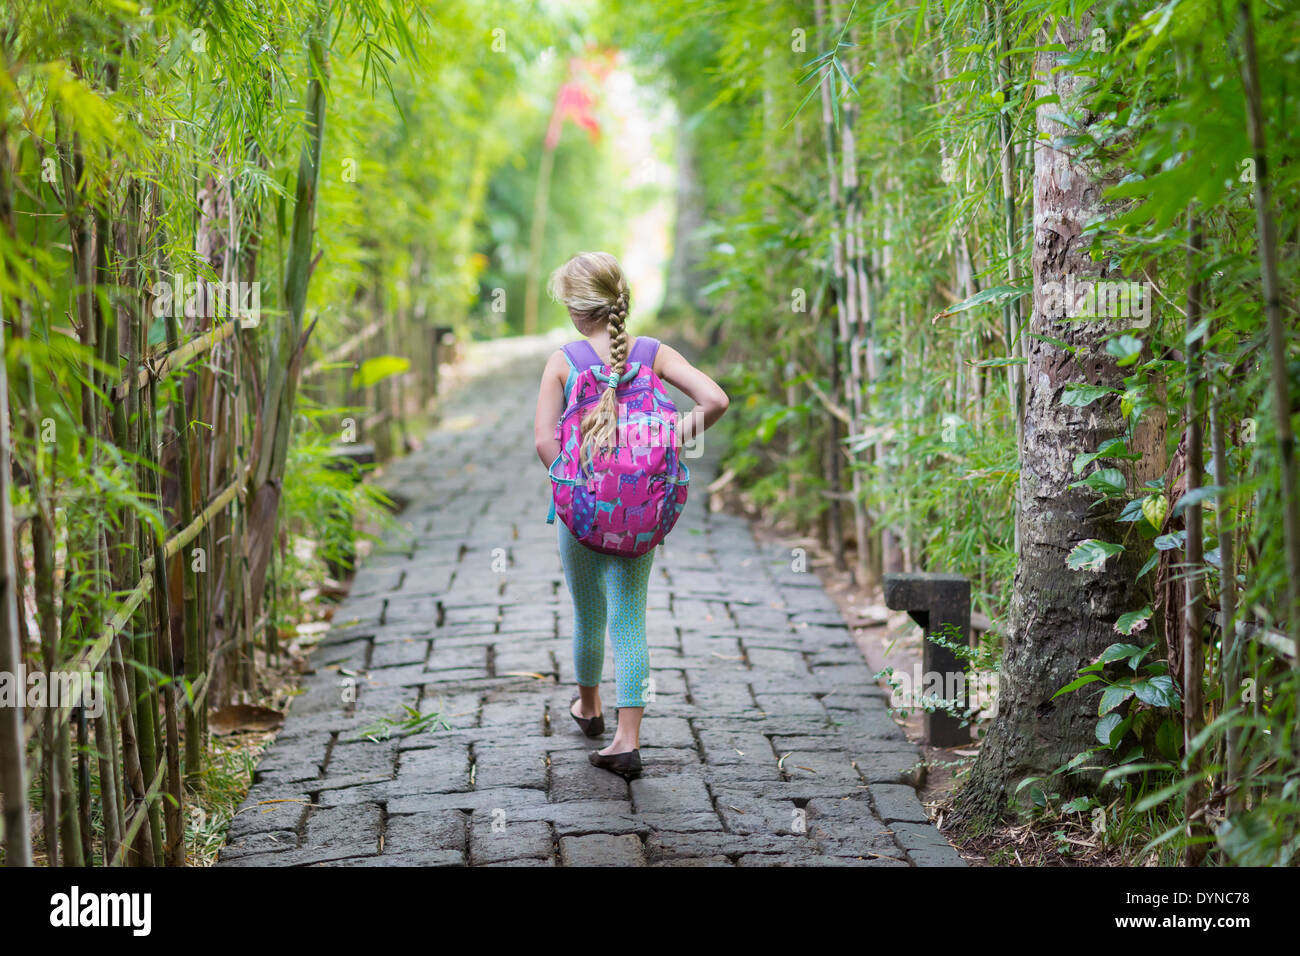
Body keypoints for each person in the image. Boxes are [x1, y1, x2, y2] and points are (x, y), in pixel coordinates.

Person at [533, 251, 729, 780]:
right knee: (630, 619)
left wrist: (577, 483)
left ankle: (589, 707)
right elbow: (715, 399)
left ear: (577, 310)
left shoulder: (564, 361)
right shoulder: (653, 353)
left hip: (581, 511)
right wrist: (669, 441)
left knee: (588, 613)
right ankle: (628, 739)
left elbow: (543, 442)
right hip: (642, 511)